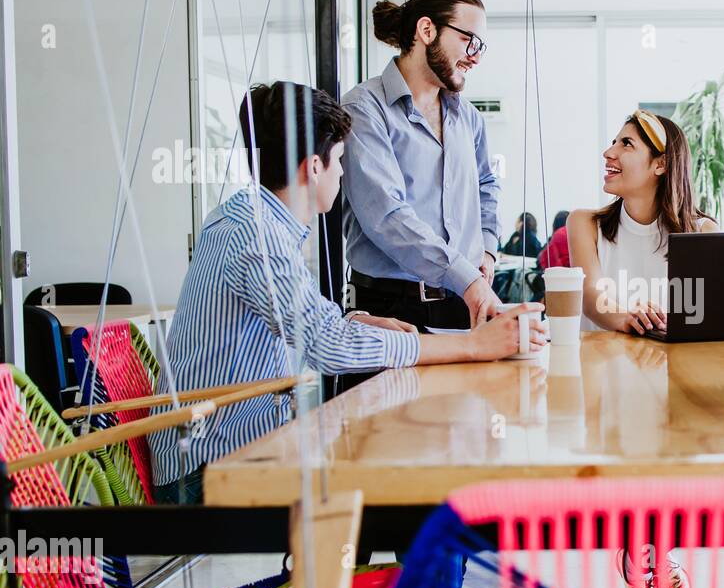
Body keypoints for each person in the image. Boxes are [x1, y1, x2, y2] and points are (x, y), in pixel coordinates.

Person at [149, 82, 543, 505]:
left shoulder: (253, 218)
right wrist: (471, 345)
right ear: (312, 167)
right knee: (411, 471)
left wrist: (352, 319)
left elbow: (301, 322)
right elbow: (328, 346)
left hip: (230, 440)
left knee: (405, 452)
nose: (342, 173)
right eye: (339, 160)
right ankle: (393, 565)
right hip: (206, 466)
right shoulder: (256, 237)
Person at [341, 0, 502, 333]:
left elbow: (487, 185)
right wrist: (465, 275)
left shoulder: (468, 116)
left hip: (463, 300)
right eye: (468, 40)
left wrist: (487, 251)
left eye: (481, 46)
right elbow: (385, 215)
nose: (475, 55)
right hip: (389, 306)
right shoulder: (365, 108)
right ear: (427, 30)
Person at [568, 110, 717, 336]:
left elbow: (710, 314)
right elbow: (590, 297)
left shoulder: (702, 232)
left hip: (672, 368)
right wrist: (628, 318)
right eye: (613, 143)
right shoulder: (584, 224)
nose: (608, 153)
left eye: (626, 144)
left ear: (661, 164)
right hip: (602, 369)